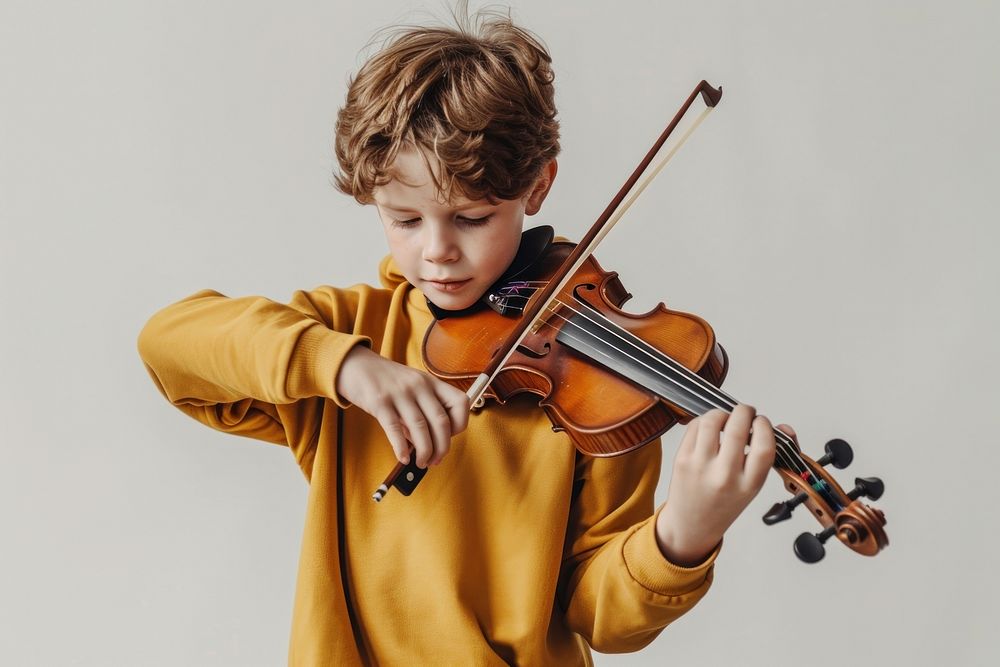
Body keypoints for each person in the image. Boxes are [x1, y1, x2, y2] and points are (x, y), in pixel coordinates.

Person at [137, 5, 793, 665]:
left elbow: (603, 618)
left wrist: (683, 534)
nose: (437, 251)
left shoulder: (605, 384)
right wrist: (343, 365)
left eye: (472, 218)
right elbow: (169, 343)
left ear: (537, 186)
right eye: (405, 220)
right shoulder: (353, 332)